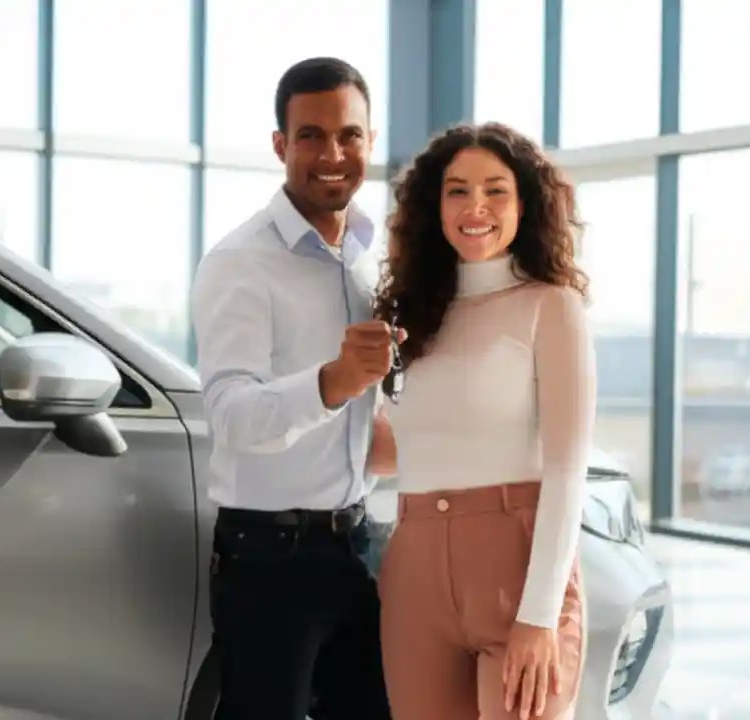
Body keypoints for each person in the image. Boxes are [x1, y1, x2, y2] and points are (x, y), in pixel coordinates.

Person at [189, 56, 399, 720]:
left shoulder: (373, 256)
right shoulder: (240, 263)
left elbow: (375, 421)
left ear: (369, 141)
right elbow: (230, 415)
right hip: (269, 561)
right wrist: (333, 382)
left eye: (350, 135)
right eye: (310, 135)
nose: (332, 154)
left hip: (361, 546)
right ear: (280, 145)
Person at [369, 122, 597, 720]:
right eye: (457, 191)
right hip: (415, 569)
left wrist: (540, 614)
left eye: (496, 190)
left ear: (524, 202)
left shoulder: (551, 306)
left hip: (519, 567)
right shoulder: (410, 317)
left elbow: (569, 469)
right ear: (433, 206)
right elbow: (398, 446)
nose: (476, 208)